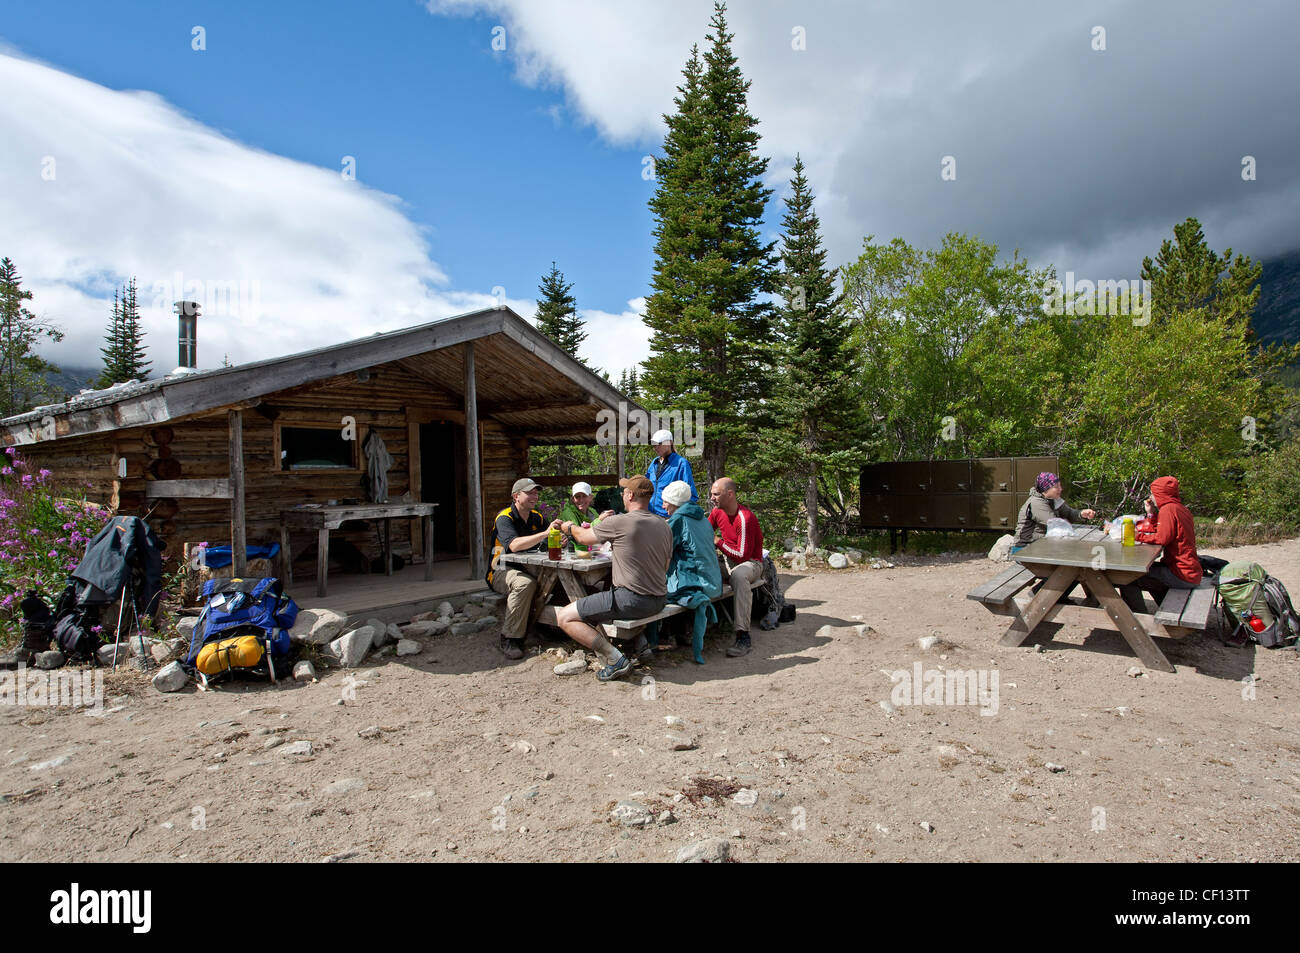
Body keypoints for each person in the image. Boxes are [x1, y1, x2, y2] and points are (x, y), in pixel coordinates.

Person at [556, 475, 672, 681]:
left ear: (630, 495)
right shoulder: (663, 524)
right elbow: (665, 565)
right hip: (659, 598)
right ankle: (639, 644)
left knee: (564, 617)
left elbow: (583, 537)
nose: (621, 494)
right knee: (605, 592)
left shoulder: (620, 521)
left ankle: (615, 659)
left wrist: (568, 528)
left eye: (624, 491)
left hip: (632, 600)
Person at [650, 480, 724, 663]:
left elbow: (661, 550)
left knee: (650, 593)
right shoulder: (700, 517)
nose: (663, 505)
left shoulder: (678, 520)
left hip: (698, 584)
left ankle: (652, 641)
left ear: (675, 503)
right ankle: (676, 633)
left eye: (665, 501)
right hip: (713, 580)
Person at [487, 477, 561, 660]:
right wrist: (545, 533)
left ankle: (552, 625)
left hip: (529, 567)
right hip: (500, 570)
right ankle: (511, 637)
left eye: (535, 492)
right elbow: (514, 545)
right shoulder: (504, 518)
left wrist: (558, 539)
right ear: (516, 496)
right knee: (524, 584)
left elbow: (545, 541)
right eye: (529, 492)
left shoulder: (537, 517)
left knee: (560, 579)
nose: (534, 496)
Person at [1120, 476, 1202, 611]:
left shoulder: (1168, 510)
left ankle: (1138, 619)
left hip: (1180, 573)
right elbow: (1161, 530)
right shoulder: (1179, 508)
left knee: (1126, 577)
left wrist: (1137, 536)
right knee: (1149, 574)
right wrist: (1151, 514)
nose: (1151, 497)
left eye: (1153, 493)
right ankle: (1164, 609)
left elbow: (1162, 538)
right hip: (1189, 571)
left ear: (1161, 493)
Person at [708, 477, 764, 658]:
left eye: (716, 494)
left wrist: (718, 542)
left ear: (730, 494)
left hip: (750, 563)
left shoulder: (745, 518)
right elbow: (706, 531)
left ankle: (743, 636)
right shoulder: (717, 513)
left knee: (739, 576)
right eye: (711, 494)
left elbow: (742, 555)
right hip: (727, 560)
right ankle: (687, 626)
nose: (712, 498)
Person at [1011, 472, 1097, 553]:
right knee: (1074, 553)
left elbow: (1069, 514)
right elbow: (1056, 526)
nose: (1061, 489)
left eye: (1060, 486)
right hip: (1023, 548)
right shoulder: (1036, 503)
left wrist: (1081, 514)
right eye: (1056, 487)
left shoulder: (1053, 499)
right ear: (1045, 489)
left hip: (1041, 545)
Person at [646, 430, 697, 518]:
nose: (656, 447)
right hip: (650, 516)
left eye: (659, 443)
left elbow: (691, 495)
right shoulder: (654, 463)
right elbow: (645, 487)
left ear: (669, 443)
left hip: (669, 517)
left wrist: (678, 517)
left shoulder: (681, 464)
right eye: (654, 444)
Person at [559, 482, 600, 554]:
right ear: (573, 499)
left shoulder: (592, 511)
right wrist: (600, 520)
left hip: (588, 550)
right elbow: (579, 535)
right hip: (570, 552)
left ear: (591, 497)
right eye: (577, 497)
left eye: (584, 496)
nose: (581, 500)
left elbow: (601, 530)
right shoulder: (568, 513)